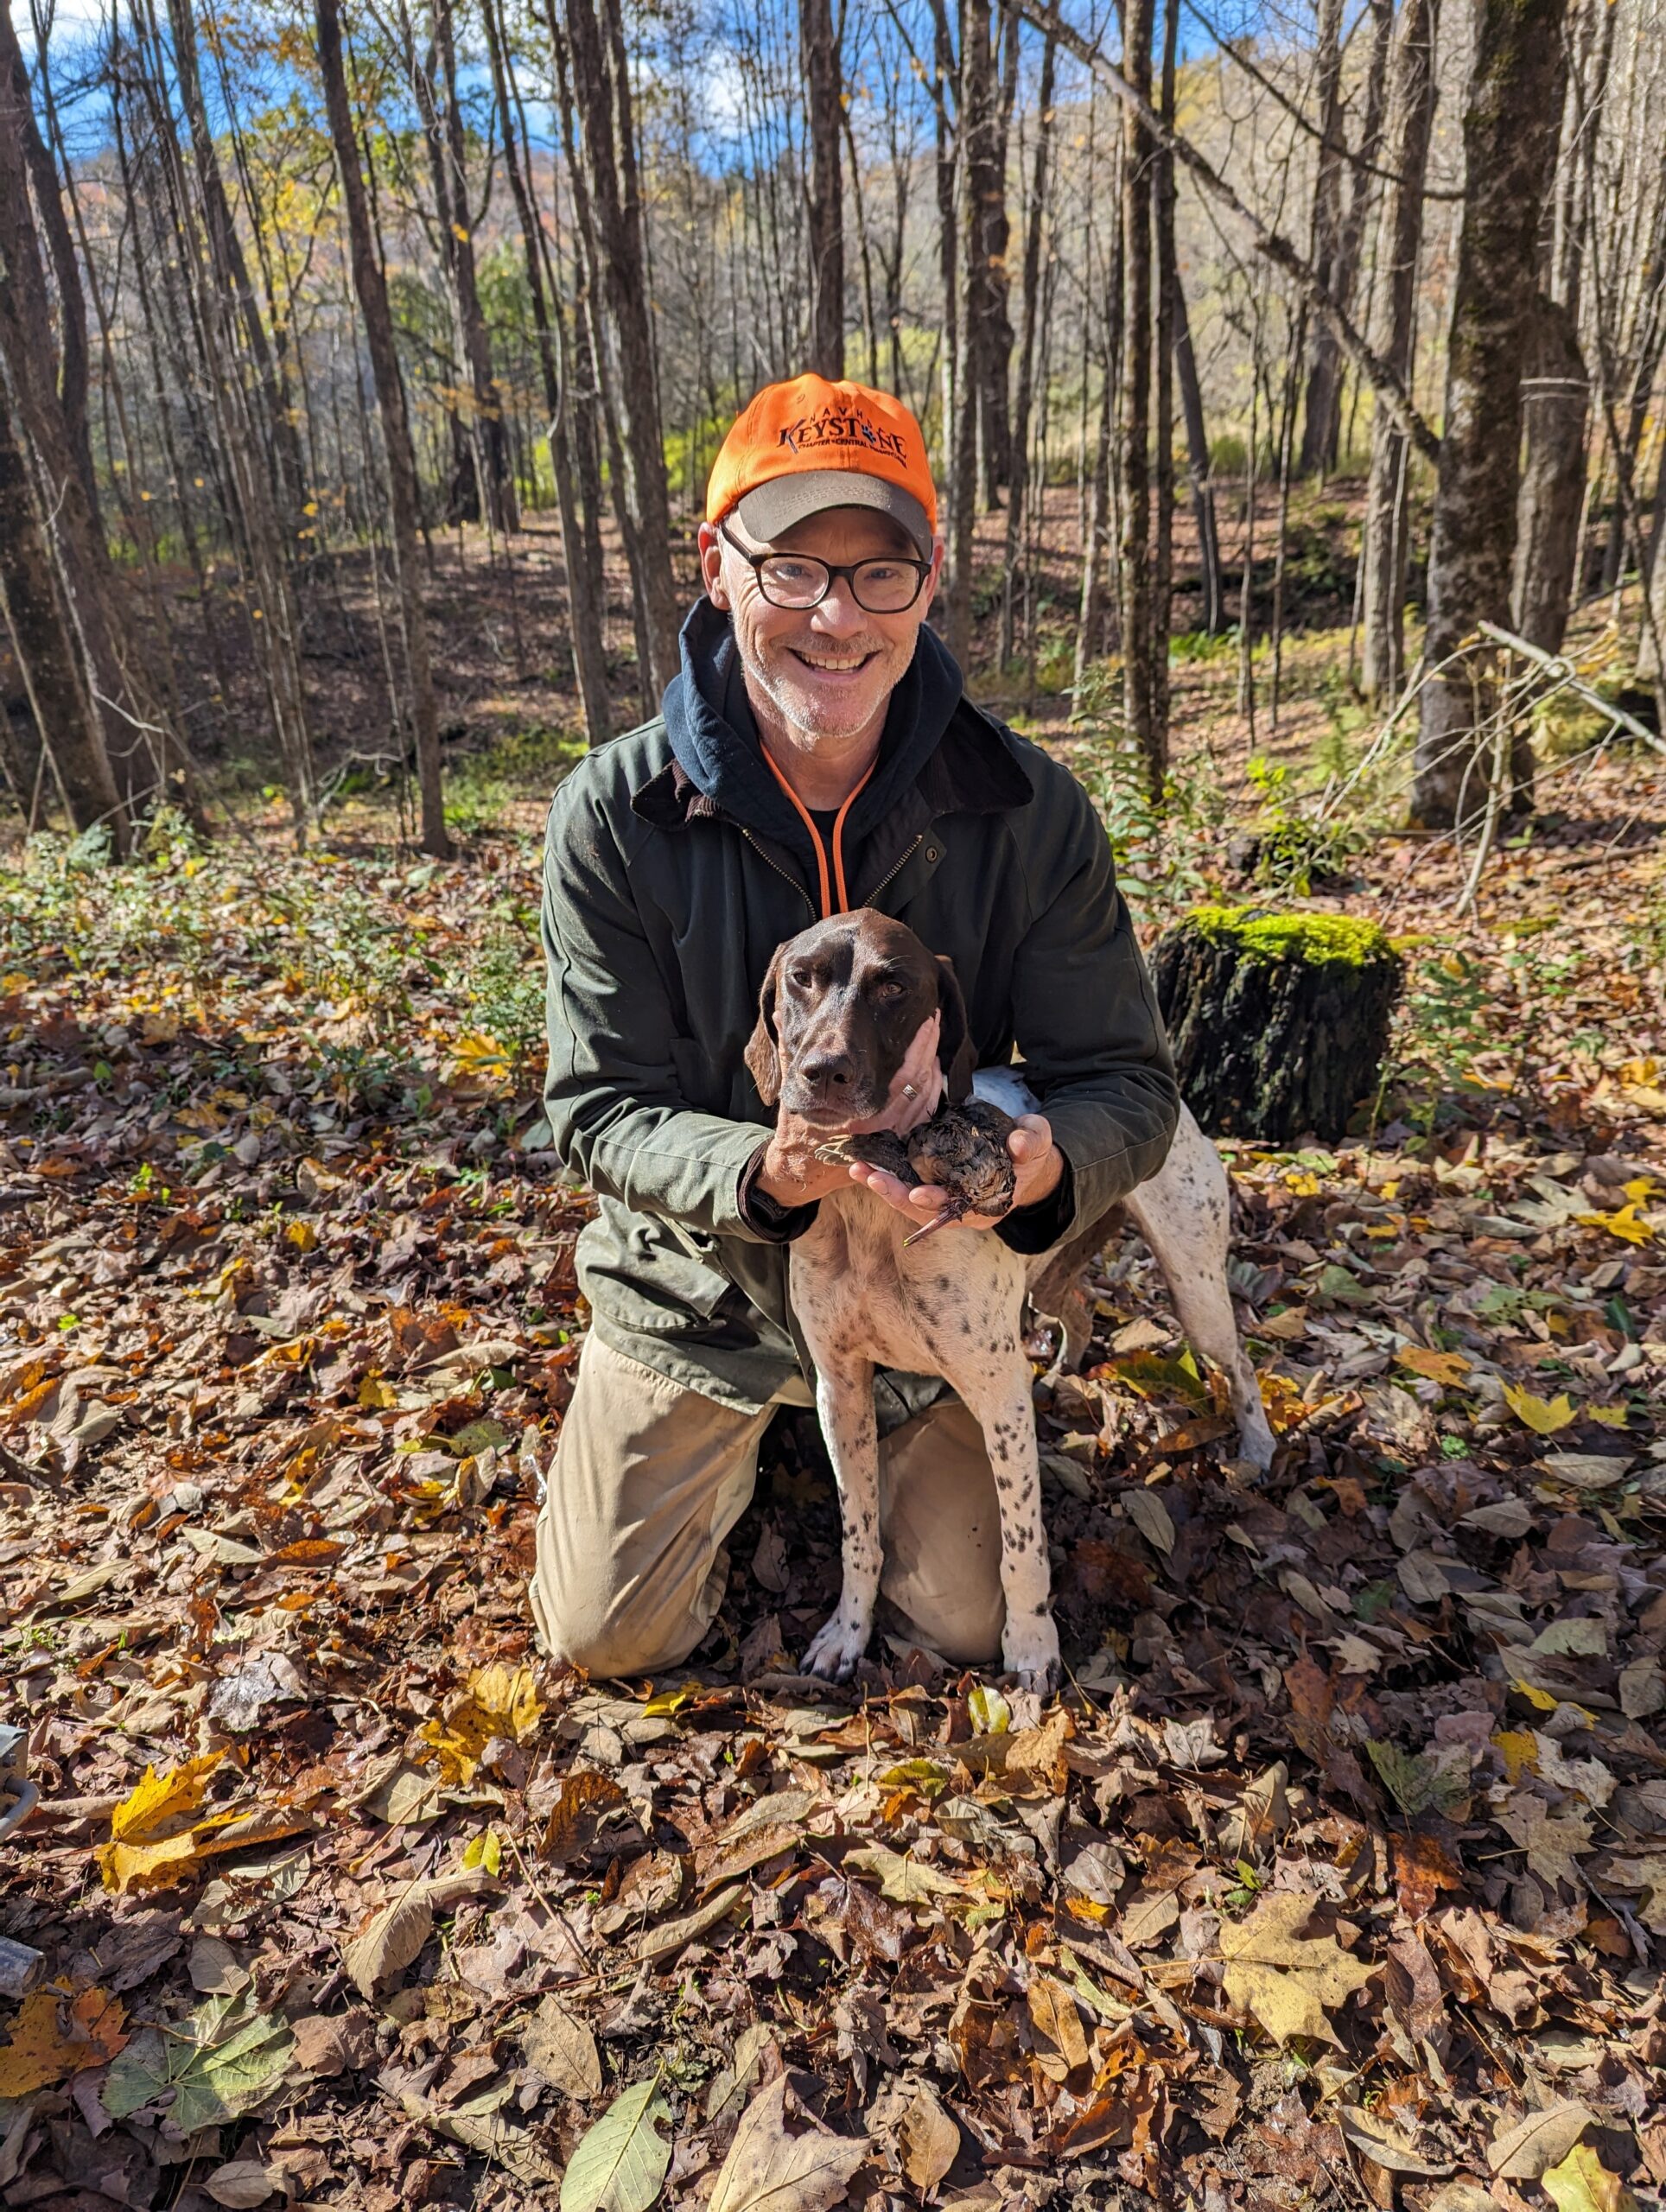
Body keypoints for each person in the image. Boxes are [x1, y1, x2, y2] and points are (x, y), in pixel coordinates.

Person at [530, 373, 1177, 1677]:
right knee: (607, 1640)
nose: (838, 616)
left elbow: (1125, 1083)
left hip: (932, 1282)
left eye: (881, 574)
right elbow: (594, 1110)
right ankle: (746, 1428)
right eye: (793, 569)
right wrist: (754, 1173)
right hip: (702, 1286)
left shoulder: (1024, 810)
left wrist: (1046, 1167)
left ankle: (862, 1425)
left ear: (929, 587)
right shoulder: (615, 815)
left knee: (971, 1628)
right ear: (718, 569)